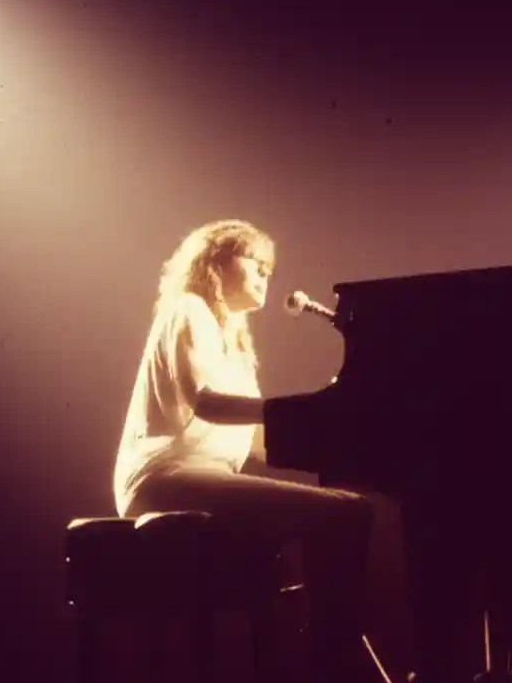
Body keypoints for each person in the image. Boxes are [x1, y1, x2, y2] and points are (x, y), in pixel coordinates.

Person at [112, 219, 376, 683]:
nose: (265, 274)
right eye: (254, 261)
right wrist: (300, 411)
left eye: (269, 268)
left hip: (203, 477)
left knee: (343, 509)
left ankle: (327, 655)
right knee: (345, 513)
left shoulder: (234, 340)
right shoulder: (188, 310)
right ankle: (334, 661)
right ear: (215, 261)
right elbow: (207, 403)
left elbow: (254, 443)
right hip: (163, 477)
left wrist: (335, 441)